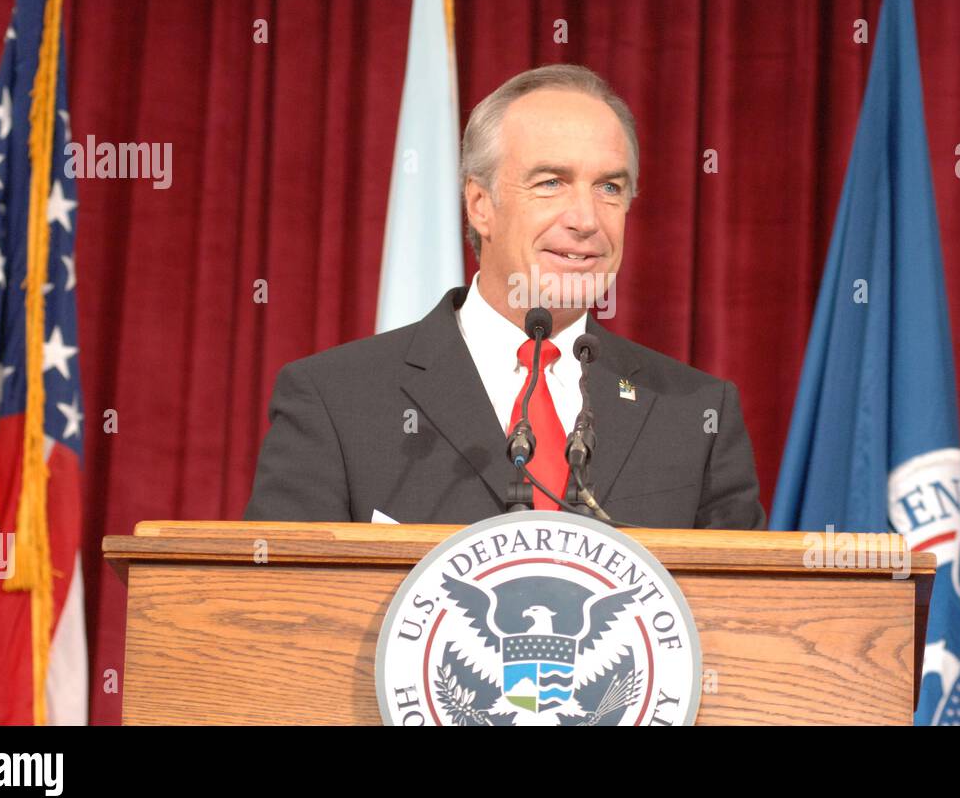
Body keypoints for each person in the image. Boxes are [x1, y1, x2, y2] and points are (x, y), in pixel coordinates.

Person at [244, 64, 765, 529]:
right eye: (550, 182)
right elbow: (282, 613)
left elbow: (741, 622)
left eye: (610, 187)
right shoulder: (337, 400)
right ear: (479, 204)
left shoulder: (696, 413)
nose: (586, 220)